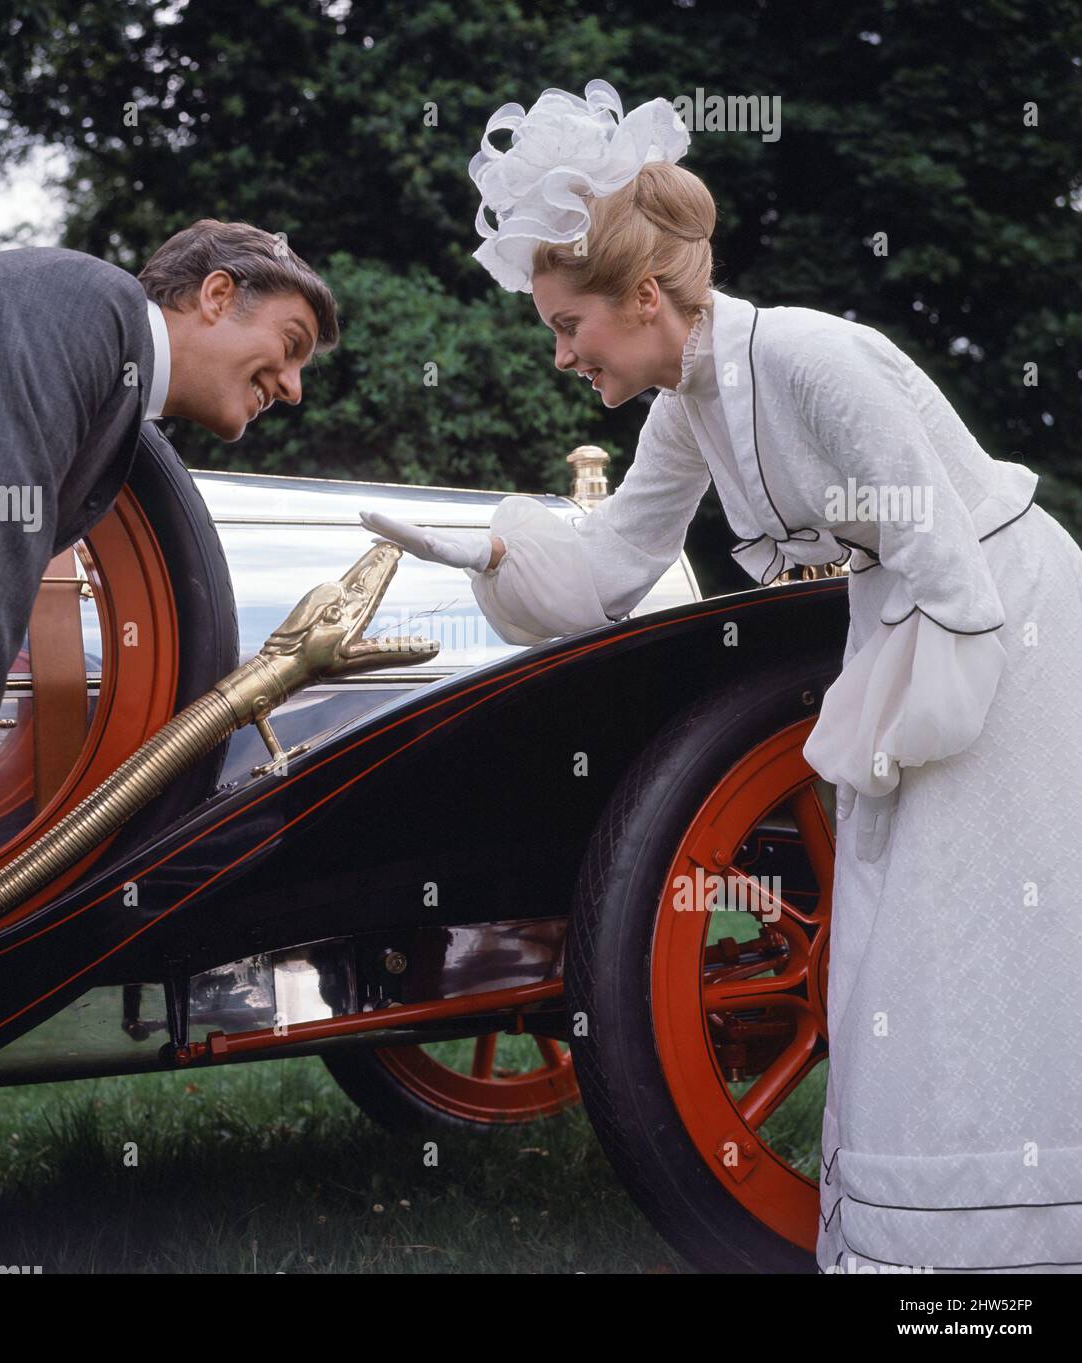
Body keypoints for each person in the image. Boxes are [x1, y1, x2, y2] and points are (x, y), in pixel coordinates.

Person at [361, 80, 1082, 1273]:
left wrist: (892, 732)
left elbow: (947, 565)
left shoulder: (809, 356)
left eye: (567, 324)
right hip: (910, 620)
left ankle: (1003, 1249)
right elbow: (606, 570)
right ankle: (926, 1251)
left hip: (1005, 628)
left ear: (643, 296)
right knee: (893, 945)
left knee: (968, 942)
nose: (557, 353)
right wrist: (484, 543)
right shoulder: (690, 408)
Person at [0, 218, 338, 1273]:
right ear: (214, 296)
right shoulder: (85, 304)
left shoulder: (103, 377)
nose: (295, 384)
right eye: (293, 339)